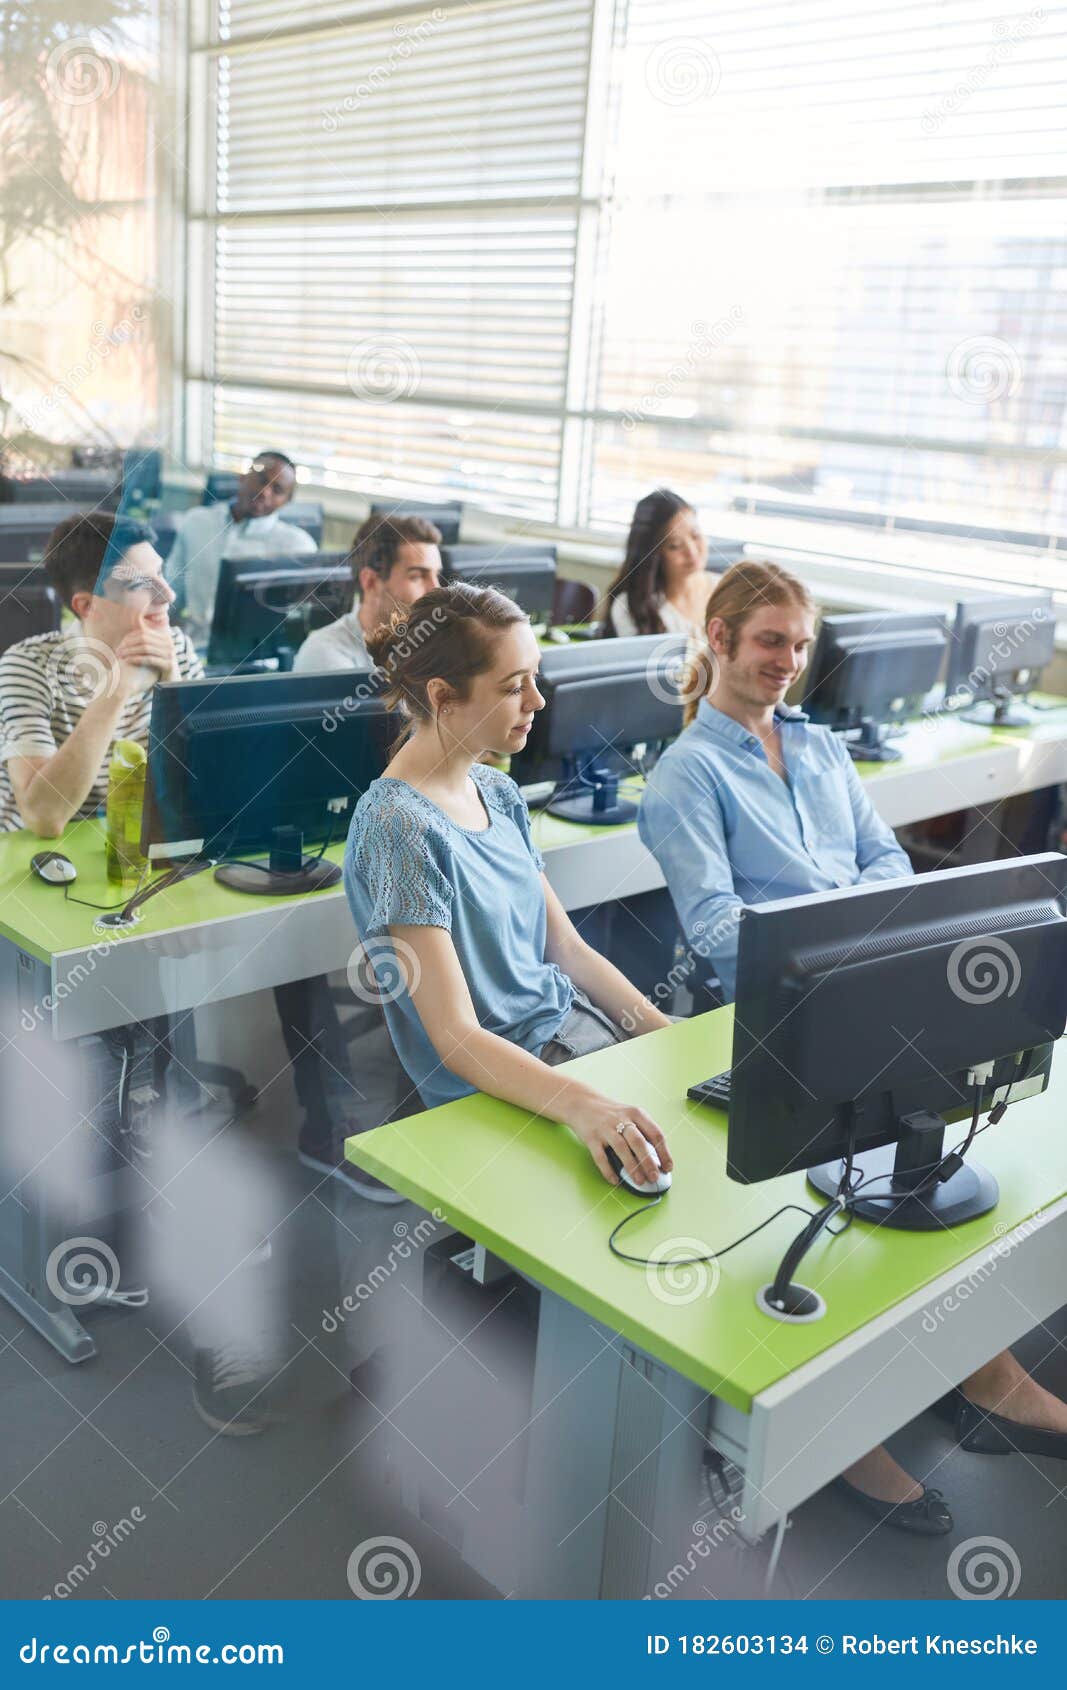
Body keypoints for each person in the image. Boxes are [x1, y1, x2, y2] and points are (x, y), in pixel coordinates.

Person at [638, 558, 1067, 1532]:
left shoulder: (821, 749)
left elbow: (883, 858)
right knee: (826, 1206)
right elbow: (714, 928)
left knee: (933, 1164)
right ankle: (835, 1424)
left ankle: (982, 1374)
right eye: (765, 642)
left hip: (865, 995)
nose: (786, 662)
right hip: (766, 1019)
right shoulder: (684, 775)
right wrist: (835, 956)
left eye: (797, 644)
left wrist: (859, 949)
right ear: (718, 639)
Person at [343, 581, 675, 1190]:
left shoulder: (497, 791)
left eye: (535, 677)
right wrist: (584, 1105)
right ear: (443, 697)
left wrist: (667, 1035)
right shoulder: (399, 825)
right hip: (507, 1082)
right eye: (512, 686)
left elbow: (567, 951)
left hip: (569, 1036)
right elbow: (456, 1038)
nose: (538, 701)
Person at [0, 511, 202, 835]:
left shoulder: (174, 647)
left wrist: (174, 683)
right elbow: (44, 817)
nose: (168, 595)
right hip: (37, 862)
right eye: (140, 584)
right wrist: (117, 689)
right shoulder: (26, 666)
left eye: (161, 574)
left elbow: (203, 788)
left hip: (134, 848)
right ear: (86, 606)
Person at [164, 451, 315, 649]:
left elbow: (300, 621)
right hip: (194, 647)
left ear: (286, 501)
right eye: (261, 480)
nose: (265, 492)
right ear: (243, 477)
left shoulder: (298, 546)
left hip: (258, 657)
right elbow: (169, 596)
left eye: (277, 490)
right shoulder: (196, 522)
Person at [293, 513, 442, 673]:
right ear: (370, 581)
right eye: (417, 576)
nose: (437, 588)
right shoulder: (325, 654)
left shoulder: (430, 644)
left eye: (437, 575)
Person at [602, 488, 711, 643]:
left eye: (696, 536)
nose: (691, 552)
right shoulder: (630, 607)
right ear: (653, 555)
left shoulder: (729, 589)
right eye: (674, 545)